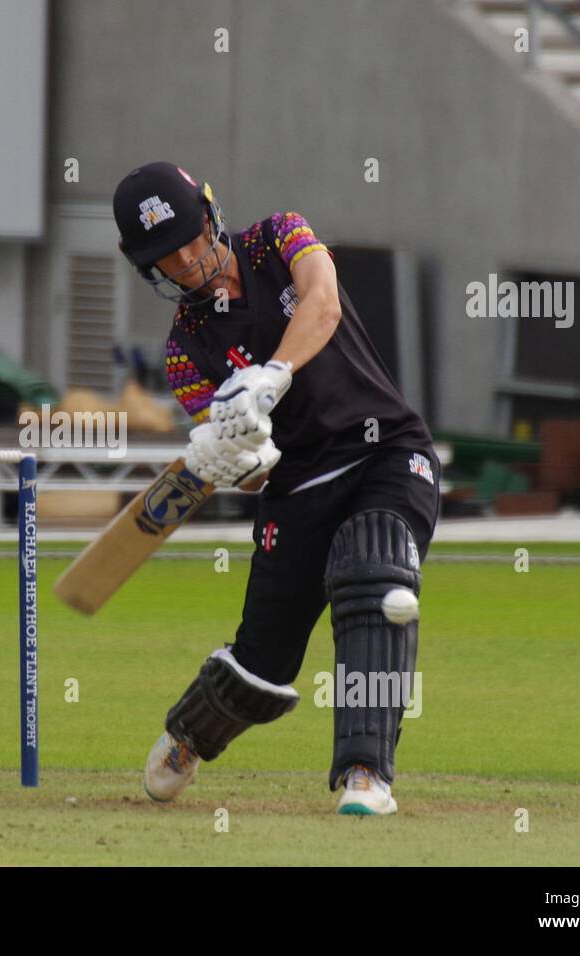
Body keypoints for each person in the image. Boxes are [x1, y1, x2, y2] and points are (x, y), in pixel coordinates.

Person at [113, 162, 440, 815]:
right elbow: (254, 468)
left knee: (373, 575)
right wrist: (234, 453)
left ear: (212, 217)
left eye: (192, 240)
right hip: (297, 485)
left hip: (386, 450)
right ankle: (190, 734)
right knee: (262, 667)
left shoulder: (278, 239)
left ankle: (365, 773)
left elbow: (322, 302)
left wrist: (271, 376)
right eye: (168, 259)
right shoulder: (186, 349)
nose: (188, 262)